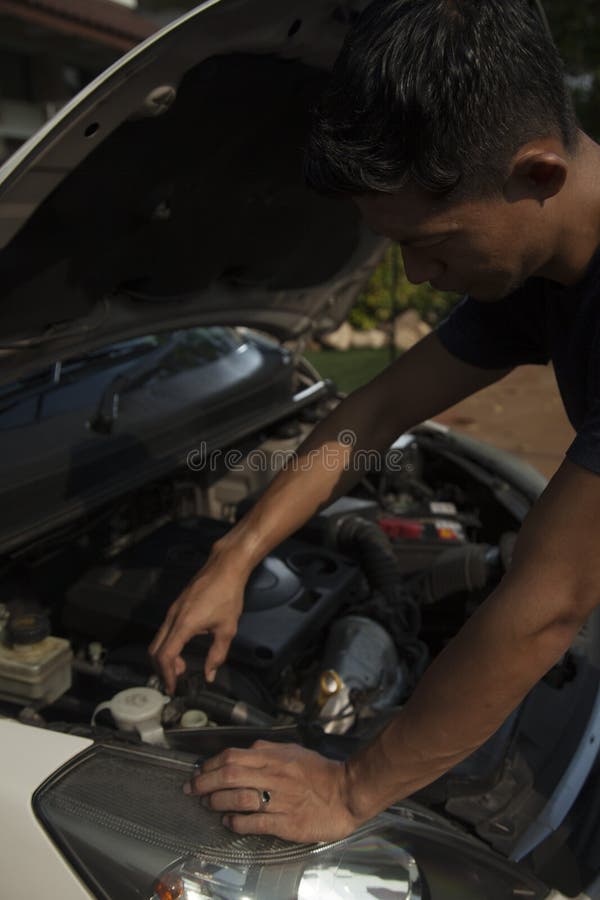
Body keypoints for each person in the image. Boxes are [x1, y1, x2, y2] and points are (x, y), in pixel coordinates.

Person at [149, 0, 600, 843]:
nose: (421, 275)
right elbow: (378, 408)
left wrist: (354, 788)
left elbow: (551, 599)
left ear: (537, 175)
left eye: (435, 243)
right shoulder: (545, 261)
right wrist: (239, 552)